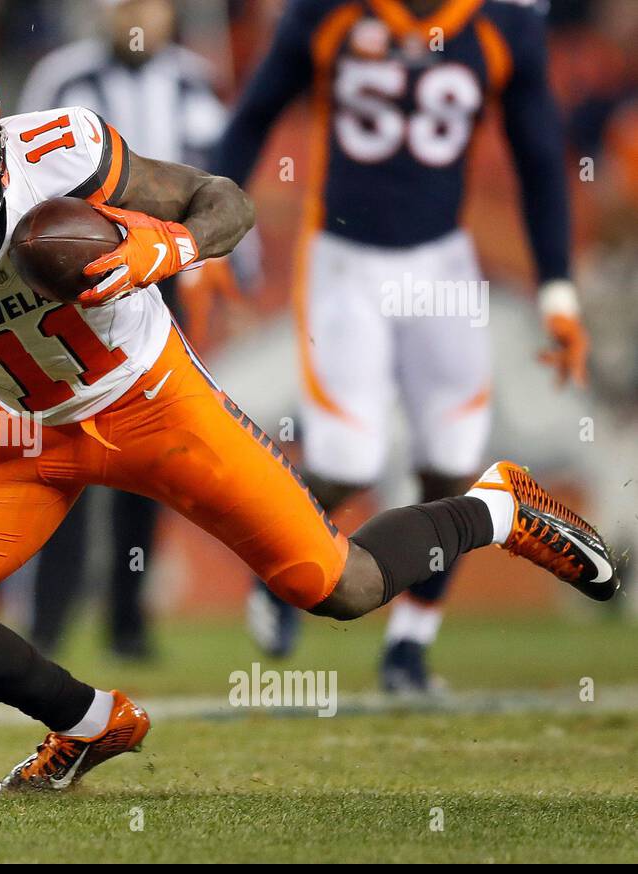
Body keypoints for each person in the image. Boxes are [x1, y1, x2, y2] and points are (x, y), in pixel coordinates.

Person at [0, 44, 619, 791]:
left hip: (155, 398)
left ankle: (496, 507)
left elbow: (224, 202)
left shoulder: (63, 150)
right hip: (19, 426)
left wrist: (167, 247)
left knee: (341, 587)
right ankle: (91, 724)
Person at [210, 0, 590, 690]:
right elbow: (253, 118)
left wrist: (558, 291)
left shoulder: (504, 26)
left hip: (441, 262)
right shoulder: (328, 15)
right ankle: (278, 571)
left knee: (453, 460)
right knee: (349, 459)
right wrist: (205, 239)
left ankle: (410, 645)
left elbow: (539, 158)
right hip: (344, 263)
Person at [17, 0, 232, 660]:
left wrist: (221, 268)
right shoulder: (62, 78)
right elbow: (18, 178)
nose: (141, 17)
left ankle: (128, 623)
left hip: (164, 273)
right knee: (66, 448)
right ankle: (48, 620)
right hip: (74, 276)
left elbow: (219, 182)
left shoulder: (194, 80)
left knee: (151, 456)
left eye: (153, 5)